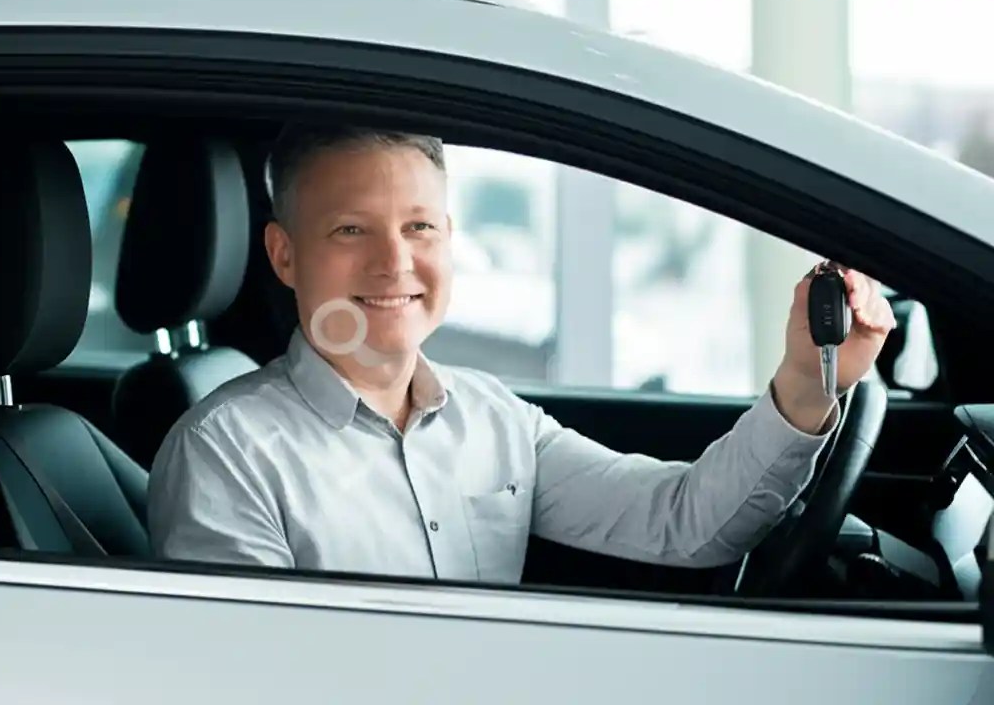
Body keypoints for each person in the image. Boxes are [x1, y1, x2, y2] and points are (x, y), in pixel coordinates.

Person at [146, 124, 896, 583]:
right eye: (351, 231)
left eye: (419, 228)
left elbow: (684, 522)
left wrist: (809, 380)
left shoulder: (492, 418)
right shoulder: (226, 453)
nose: (394, 265)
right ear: (284, 255)